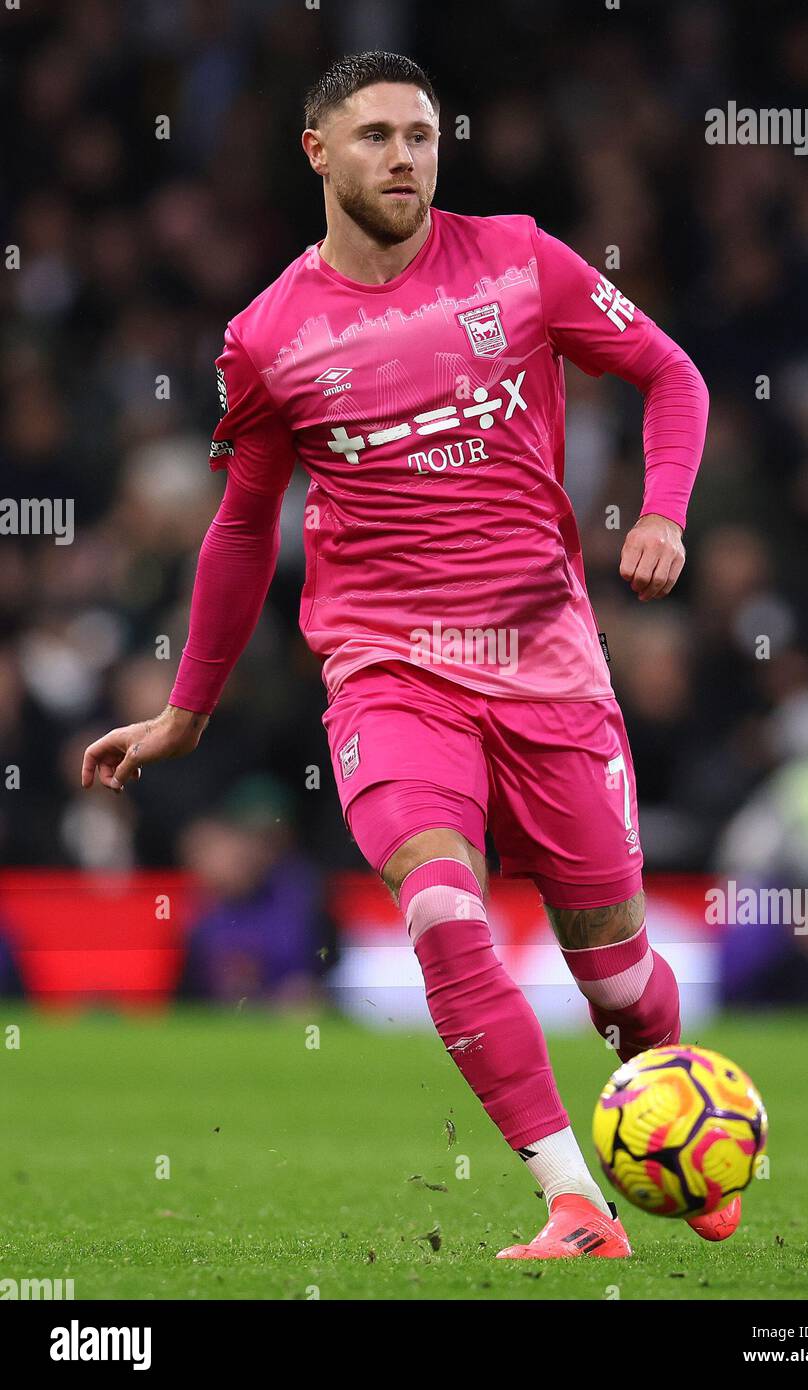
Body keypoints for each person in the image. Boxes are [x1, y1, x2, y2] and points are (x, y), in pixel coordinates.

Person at [82, 51, 714, 1258]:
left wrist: (667, 510)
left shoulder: (523, 260)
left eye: (421, 135)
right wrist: (187, 712)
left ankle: (684, 1133)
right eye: (375, 135)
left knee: (622, 984)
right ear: (318, 152)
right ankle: (573, 1202)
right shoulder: (268, 336)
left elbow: (670, 375)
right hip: (389, 671)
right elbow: (238, 526)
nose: (405, 157)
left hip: (545, 665)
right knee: (438, 906)